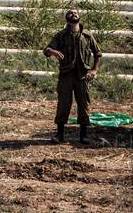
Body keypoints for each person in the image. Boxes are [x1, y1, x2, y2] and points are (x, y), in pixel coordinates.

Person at [43, 9, 102, 144]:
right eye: (70, 13)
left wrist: (94, 70)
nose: (74, 14)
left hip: (82, 76)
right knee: (63, 104)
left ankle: (83, 135)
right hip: (66, 75)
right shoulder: (61, 36)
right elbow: (46, 50)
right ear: (66, 19)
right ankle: (60, 134)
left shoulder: (87, 36)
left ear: (79, 17)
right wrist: (53, 51)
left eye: (76, 13)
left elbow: (98, 53)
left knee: (83, 104)